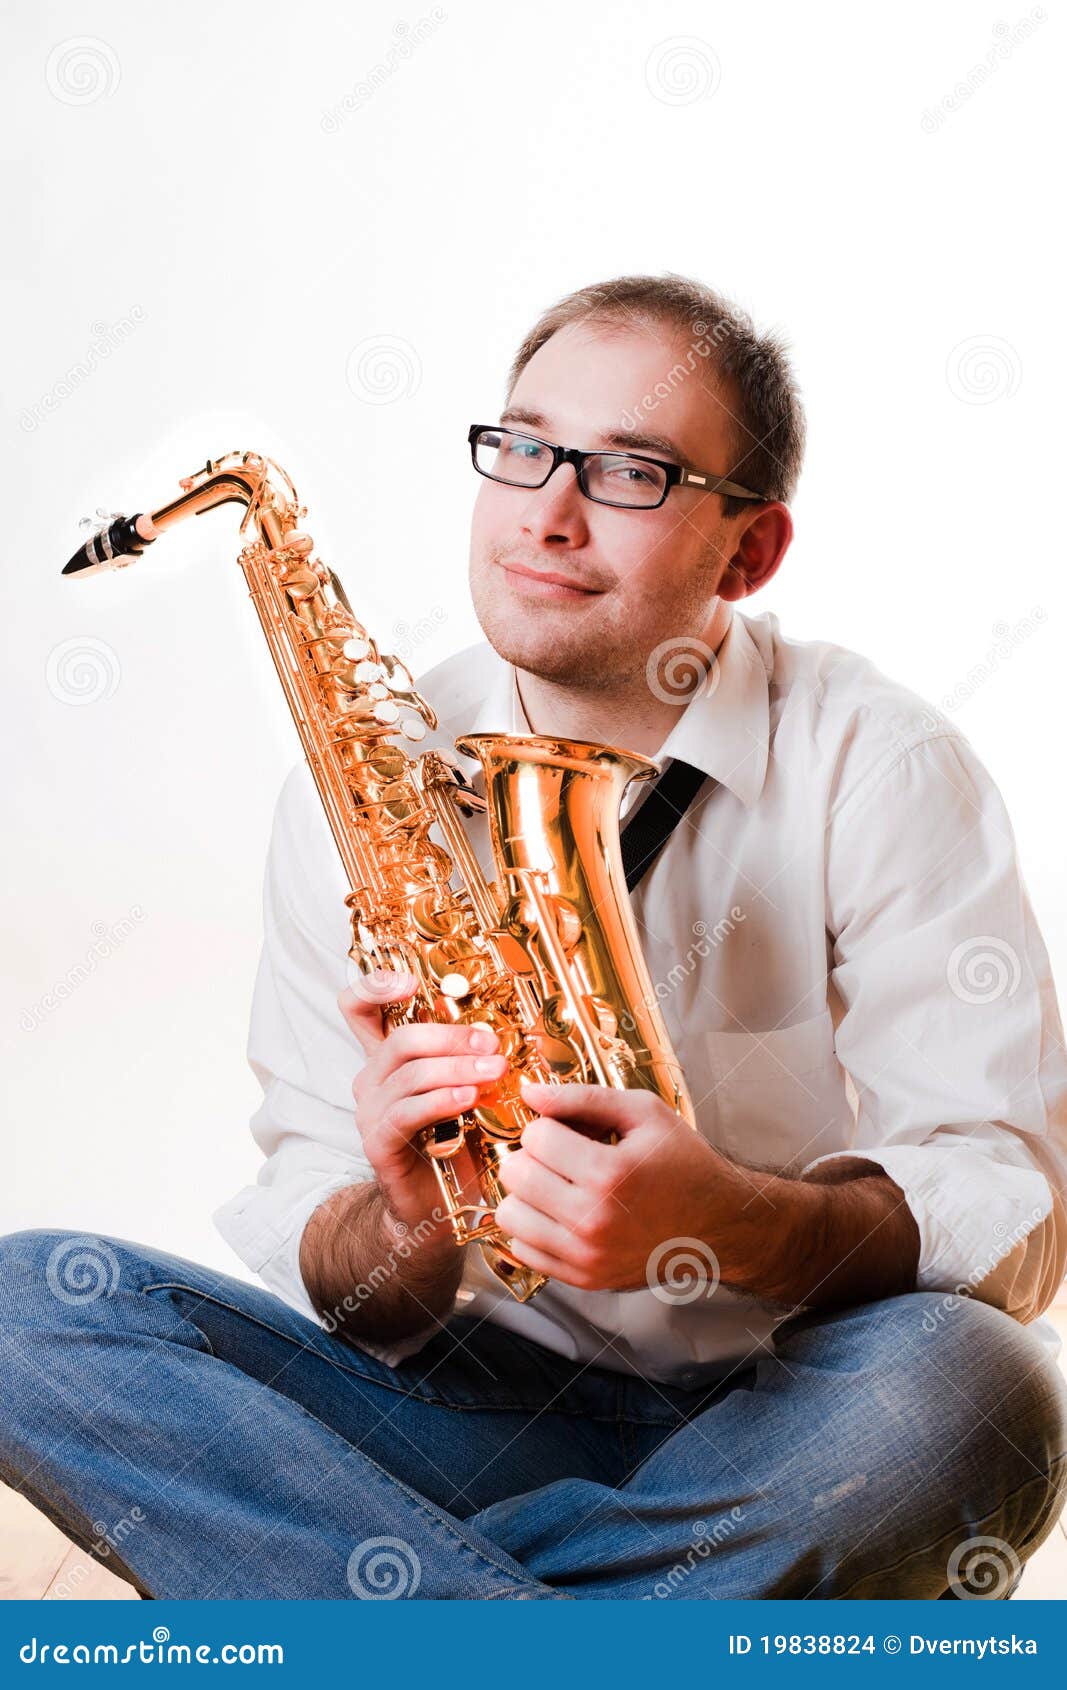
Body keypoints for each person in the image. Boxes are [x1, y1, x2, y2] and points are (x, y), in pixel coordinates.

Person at [2, 275, 1065, 1601]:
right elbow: (332, 1269)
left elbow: (1011, 1213)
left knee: (975, 1391)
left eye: (631, 471)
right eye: (522, 447)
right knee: (27, 1303)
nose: (547, 514)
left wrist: (737, 1222)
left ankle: (410, 1618)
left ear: (751, 550)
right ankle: (621, 1623)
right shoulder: (349, 792)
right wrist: (404, 1226)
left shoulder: (884, 764)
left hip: (791, 1414)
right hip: (459, 1423)